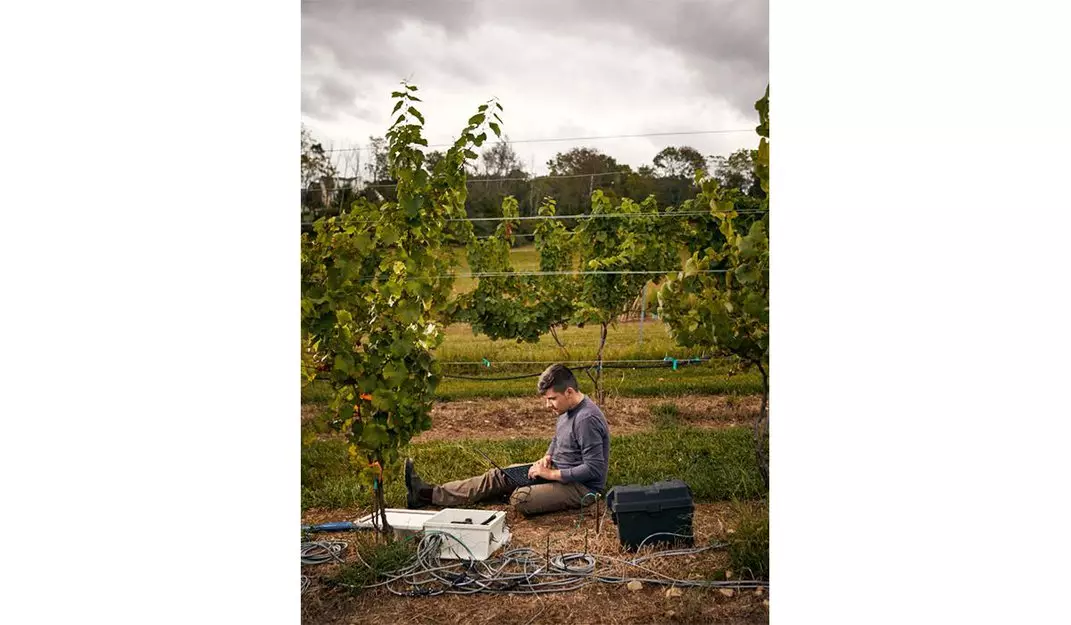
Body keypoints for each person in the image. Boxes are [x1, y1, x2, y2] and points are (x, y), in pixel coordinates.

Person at [404, 363, 610, 517]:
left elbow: (594, 469)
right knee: (497, 476)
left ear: (570, 392)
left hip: (582, 488)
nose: (548, 405)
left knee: (521, 498)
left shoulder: (586, 419)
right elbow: (559, 438)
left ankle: (511, 492)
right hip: (556, 471)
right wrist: (548, 456)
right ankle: (425, 494)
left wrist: (551, 474)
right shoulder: (566, 408)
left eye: (552, 399)